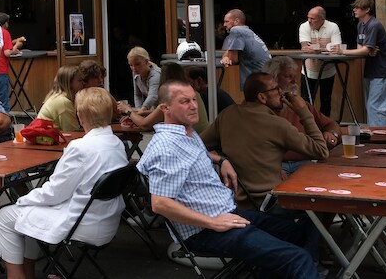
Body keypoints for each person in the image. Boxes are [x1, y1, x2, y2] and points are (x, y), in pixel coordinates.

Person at [138, 80, 322, 279]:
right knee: (298, 258)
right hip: (205, 230)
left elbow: (196, 155)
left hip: (228, 213)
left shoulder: (186, 133)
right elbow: (160, 204)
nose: (193, 105)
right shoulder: (167, 147)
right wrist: (212, 223)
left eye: (193, 99)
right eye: (184, 102)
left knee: (302, 233)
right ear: (165, 108)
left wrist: (221, 159)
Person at [0, 88, 127, 279]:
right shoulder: (116, 142)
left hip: (82, 223)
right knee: (29, 213)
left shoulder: (81, 147)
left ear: (80, 116)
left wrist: (25, 199)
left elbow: (54, 193)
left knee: (5, 216)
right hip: (105, 220)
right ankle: (28, 272)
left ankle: (16, 276)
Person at [200, 73, 328, 209]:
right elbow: (321, 150)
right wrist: (303, 111)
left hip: (237, 203)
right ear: (262, 97)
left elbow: (195, 145)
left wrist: (220, 160)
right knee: (325, 204)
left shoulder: (227, 115)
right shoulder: (277, 124)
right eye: (276, 89)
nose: (281, 92)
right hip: (272, 204)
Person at [267, 57, 341, 174]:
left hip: (306, 163)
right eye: (288, 77)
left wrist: (332, 134)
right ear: (272, 80)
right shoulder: (262, 110)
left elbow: (332, 124)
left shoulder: (300, 104)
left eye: (294, 77)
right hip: (276, 166)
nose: (294, 82)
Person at [339, 0, 386, 126]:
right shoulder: (360, 25)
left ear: (367, 9)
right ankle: (374, 135)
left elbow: (364, 50)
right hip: (371, 70)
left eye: (358, 7)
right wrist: (367, 50)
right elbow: (362, 48)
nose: (354, 10)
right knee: (372, 105)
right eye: (354, 7)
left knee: (376, 106)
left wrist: (343, 51)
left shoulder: (374, 25)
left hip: (382, 71)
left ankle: (381, 137)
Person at [298, 6, 342, 116]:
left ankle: (325, 127)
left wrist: (317, 48)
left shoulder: (332, 27)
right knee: (305, 101)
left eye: (313, 18)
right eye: (308, 17)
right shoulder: (304, 26)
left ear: (322, 19)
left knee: (326, 101)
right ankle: (308, 128)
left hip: (327, 70)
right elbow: (306, 48)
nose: (309, 21)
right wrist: (326, 48)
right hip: (308, 70)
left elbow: (337, 48)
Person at [37, 62, 99, 132]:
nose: (83, 83)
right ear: (69, 83)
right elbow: (73, 131)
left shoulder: (61, 97)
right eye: (80, 80)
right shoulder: (63, 102)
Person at [220, 9, 271, 91]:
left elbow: (233, 59)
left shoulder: (236, 30)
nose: (224, 25)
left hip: (259, 79)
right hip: (266, 75)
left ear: (236, 21)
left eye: (227, 21)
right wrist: (227, 56)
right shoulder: (246, 31)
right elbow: (230, 53)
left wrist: (227, 57)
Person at [0, 12, 24, 110]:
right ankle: (4, 123)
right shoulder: (5, 32)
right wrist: (17, 45)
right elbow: (7, 53)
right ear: (6, 23)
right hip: (1, 70)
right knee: (3, 101)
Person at [121, 47, 161, 113]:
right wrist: (138, 109)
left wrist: (142, 110)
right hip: (152, 108)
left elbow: (153, 96)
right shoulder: (136, 73)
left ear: (146, 62)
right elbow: (137, 94)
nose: (134, 68)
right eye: (131, 65)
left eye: (137, 64)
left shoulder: (155, 74)